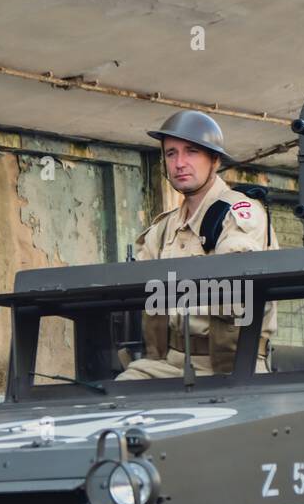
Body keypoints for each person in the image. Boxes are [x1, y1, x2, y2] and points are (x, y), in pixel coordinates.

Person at [117, 110, 278, 380]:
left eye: (191, 152)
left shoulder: (239, 212)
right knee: (119, 396)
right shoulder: (164, 227)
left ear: (214, 160)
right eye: (171, 153)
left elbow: (235, 282)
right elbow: (137, 287)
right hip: (169, 363)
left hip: (232, 363)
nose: (179, 163)